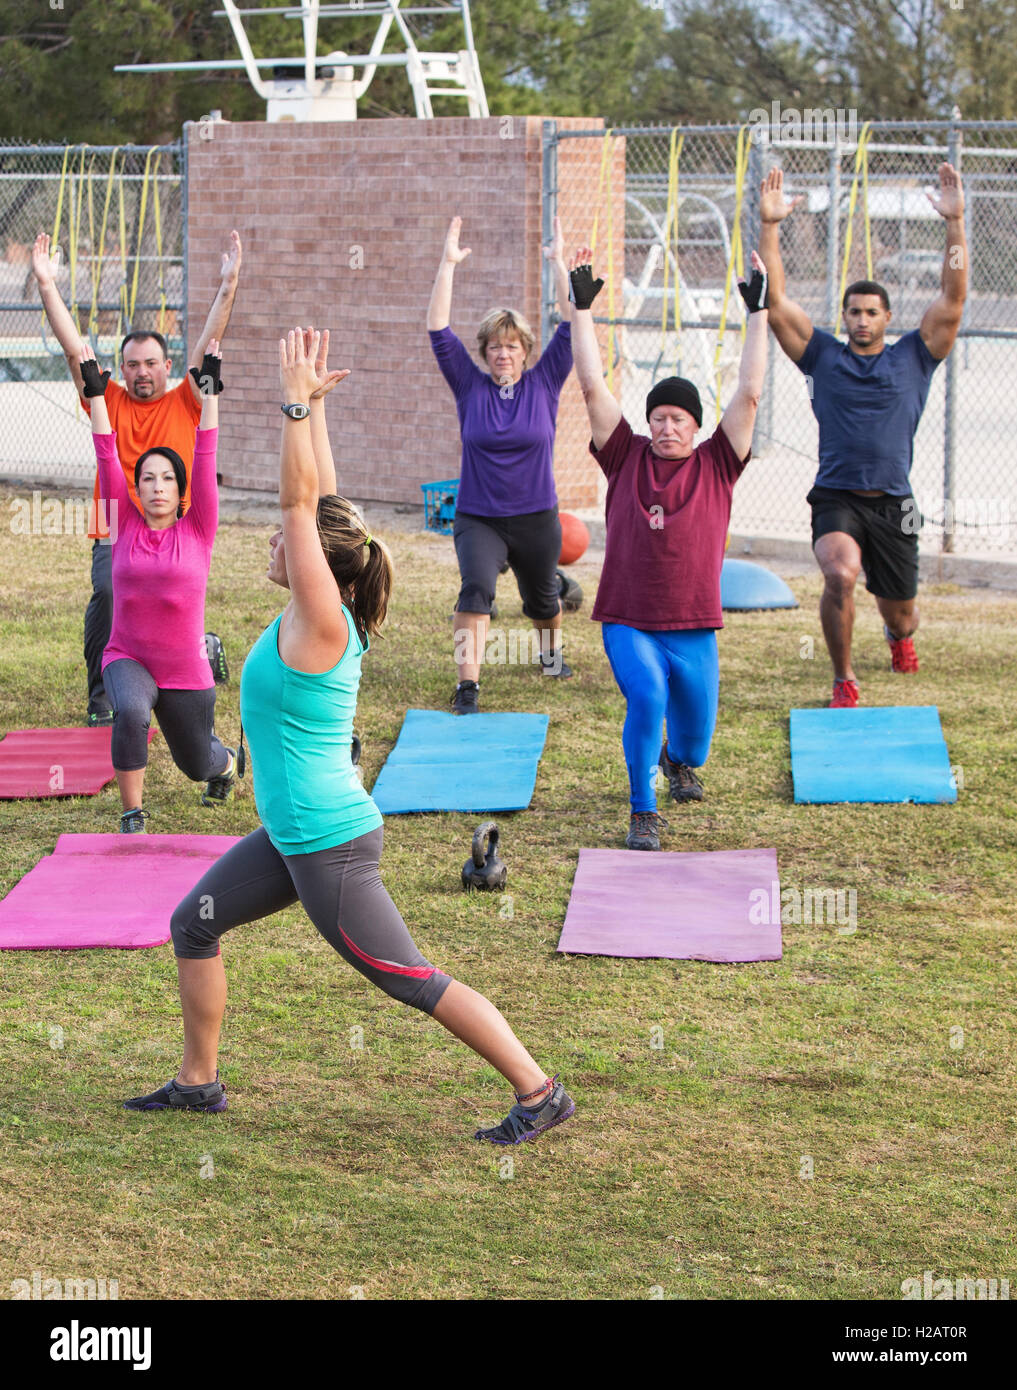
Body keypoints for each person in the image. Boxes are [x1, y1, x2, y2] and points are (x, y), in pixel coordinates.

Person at [123, 327, 575, 1147]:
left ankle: (538, 1089)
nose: (272, 543)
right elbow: (319, 504)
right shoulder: (327, 604)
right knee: (193, 922)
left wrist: (293, 406)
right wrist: (316, 416)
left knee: (410, 978)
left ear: (312, 569)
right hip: (293, 836)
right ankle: (198, 1083)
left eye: (283, 546)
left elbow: (301, 510)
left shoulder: (319, 619)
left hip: (328, 847)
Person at [569, 247, 769, 851]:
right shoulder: (625, 454)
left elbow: (751, 393)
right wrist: (582, 309)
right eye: (658, 415)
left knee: (695, 743)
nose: (666, 426)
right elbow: (590, 383)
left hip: (693, 627)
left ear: (695, 425)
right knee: (647, 696)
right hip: (629, 619)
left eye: (678, 417)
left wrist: (756, 311)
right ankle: (642, 809)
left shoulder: (718, 463)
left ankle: (676, 759)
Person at [759, 163, 967, 707]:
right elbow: (776, 302)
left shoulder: (914, 357)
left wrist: (956, 222)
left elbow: (953, 297)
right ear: (844, 316)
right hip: (837, 496)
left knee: (902, 611)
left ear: (887, 316)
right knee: (840, 574)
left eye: (872, 312)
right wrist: (770, 225)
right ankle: (844, 678)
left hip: (895, 502)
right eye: (853, 312)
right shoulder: (823, 356)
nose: (861, 320)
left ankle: (898, 637)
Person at [30, 229, 243, 724]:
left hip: (176, 525)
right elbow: (72, 351)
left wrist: (228, 285)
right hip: (117, 520)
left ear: (168, 366)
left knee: (171, 601)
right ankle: (102, 696)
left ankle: (192, 659)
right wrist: (46, 285)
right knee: (108, 593)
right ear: (119, 370)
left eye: (151, 363)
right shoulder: (110, 401)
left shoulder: (184, 400)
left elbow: (212, 342)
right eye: (132, 365)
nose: (142, 372)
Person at [81, 340, 238, 832]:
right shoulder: (122, 522)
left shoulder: (198, 527)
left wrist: (208, 391)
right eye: (147, 478)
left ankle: (227, 765)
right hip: (127, 655)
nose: (156, 486)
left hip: (183, 668)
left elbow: (205, 443)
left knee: (199, 763)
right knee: (128, 710)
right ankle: (132, 814)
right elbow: (107, 456)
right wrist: (96, 395)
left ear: (180, 486)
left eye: (167, 478)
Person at [427, 215, 575, 713]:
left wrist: (557, 263)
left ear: (527, 351)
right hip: (479, 516)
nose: (503, 353)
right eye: (495, 346)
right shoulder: (469, 385)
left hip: (537, 516)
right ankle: (468, 686)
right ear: (485, 353)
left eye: (512, 345)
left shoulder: (546, 381)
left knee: (543, 599)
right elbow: (437, 328)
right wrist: (447, 265)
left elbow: (574, 322)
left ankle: (551, 657)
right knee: (475, 589)